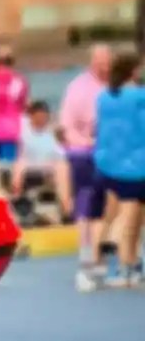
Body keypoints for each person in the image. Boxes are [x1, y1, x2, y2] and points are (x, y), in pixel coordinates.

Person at [59, 43, 113, 290]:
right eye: (100, 60)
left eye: (107, 61)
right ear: (92, 61)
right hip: (83, 154)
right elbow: (66, 125)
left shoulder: (113, 87)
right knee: (86, 204)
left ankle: (99, 256)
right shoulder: (78, 88)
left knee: (102, 208)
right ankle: (86, 257)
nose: (104, 65)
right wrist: (86, 141)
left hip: (107, 154)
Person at [92, 50, 145, 288]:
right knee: (131, 216)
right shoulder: (139, 97)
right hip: (135, 166)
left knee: (111, 215)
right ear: (133, 70)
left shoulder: (104, 97)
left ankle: (103, 264)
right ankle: (126, 265)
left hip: (107, 164)